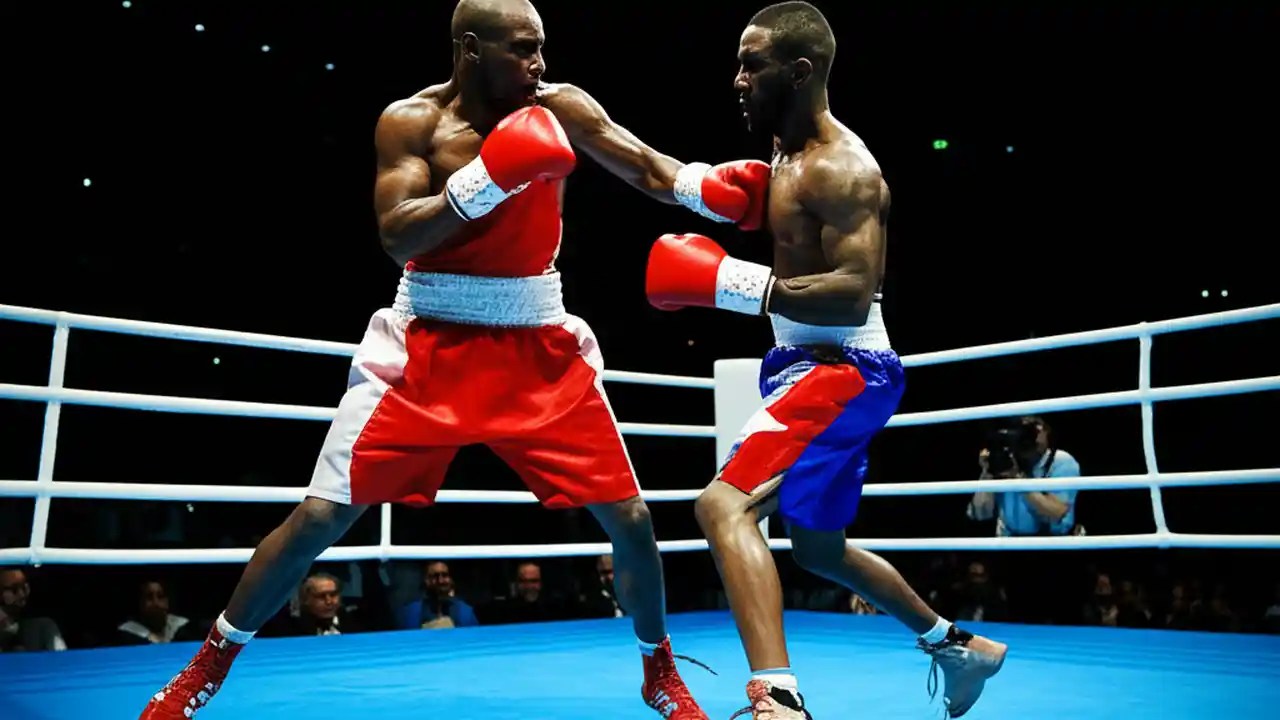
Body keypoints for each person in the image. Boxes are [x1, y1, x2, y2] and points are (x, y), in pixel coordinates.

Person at [137, 0, 771, 717]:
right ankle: (206, 669)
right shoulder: (411, 123)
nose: (539, 66)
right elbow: (398, 236)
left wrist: (720, 198)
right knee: (319, 518)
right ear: (471, 48)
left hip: (536, 341)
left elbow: (650, 168)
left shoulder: (560, 106)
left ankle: (659, 669)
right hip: (428, 340)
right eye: (522, 51)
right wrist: (489, 178)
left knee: (629, 519)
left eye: (542, 50)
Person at [643, 3, 1008, 717]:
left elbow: (852, 292)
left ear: (799, 70)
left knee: (722, 507)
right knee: (816, 549)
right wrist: (581, 125)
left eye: (752, 64)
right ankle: (956, 646)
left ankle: (778, 698)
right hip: (804, 365)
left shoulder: (845, 168)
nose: (737, 79)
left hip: (845, 369)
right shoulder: (780, 154)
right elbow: (654, 171)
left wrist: (730, 284)